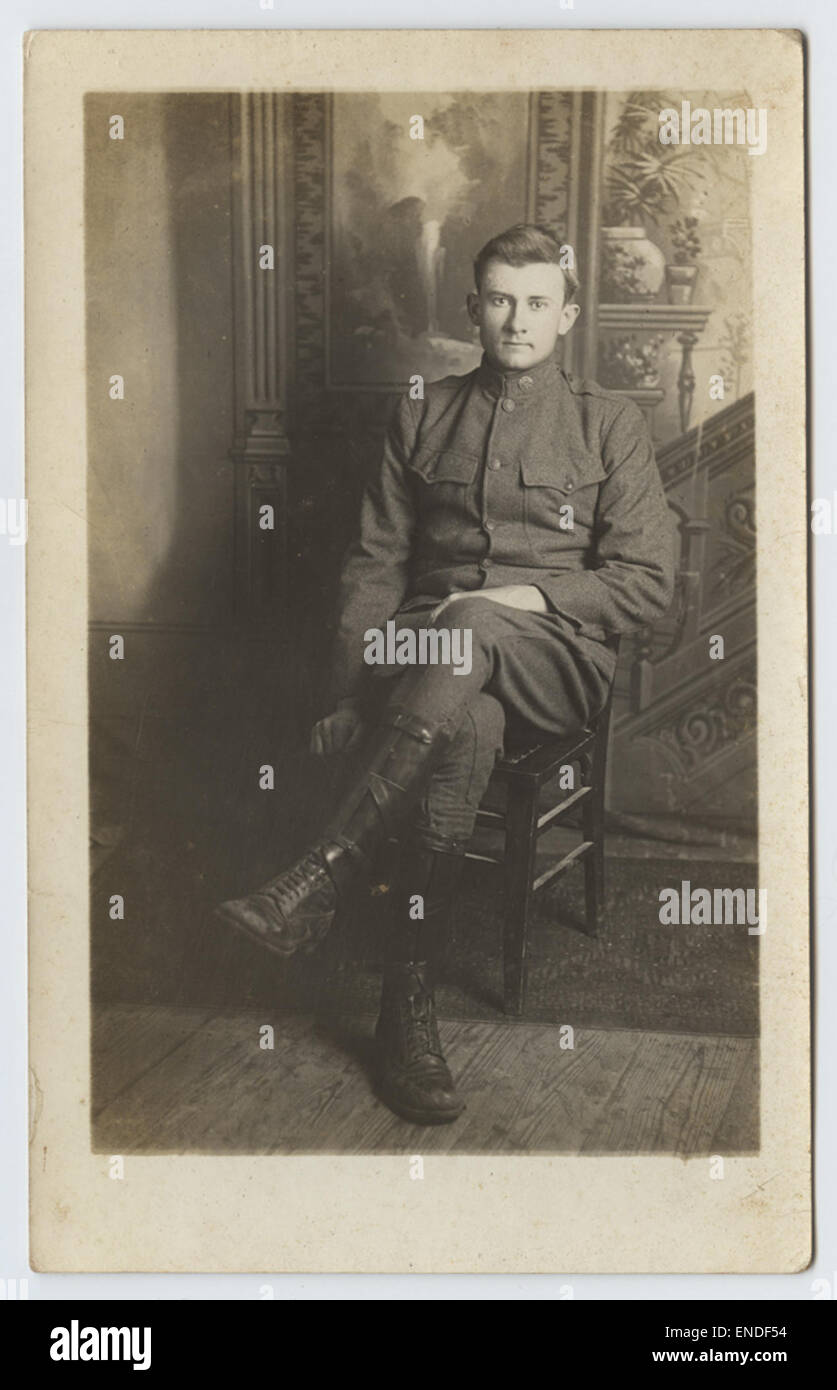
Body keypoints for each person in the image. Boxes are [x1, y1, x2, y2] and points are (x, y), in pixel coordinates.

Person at [216, 223, 677, 1126]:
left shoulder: (608, 421)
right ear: (473, 308)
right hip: (431, 664)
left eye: (537, 303)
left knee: (468, 624)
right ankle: (406, 1010)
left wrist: (518, 602)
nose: (517, 320)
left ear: (567, 315)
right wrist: (348, 692)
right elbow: (374, 564)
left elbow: (647, 582)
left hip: (559, 659)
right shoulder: (423, 410)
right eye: (500, 300)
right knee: (466, 731)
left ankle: (322, 870)